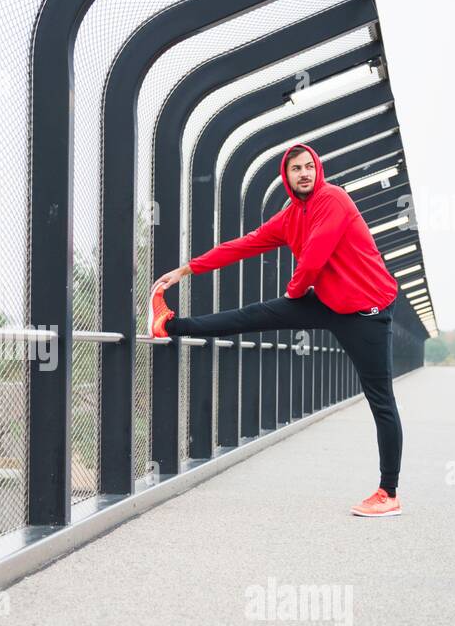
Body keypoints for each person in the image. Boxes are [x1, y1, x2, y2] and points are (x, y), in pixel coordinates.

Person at [150, 142, 403, 517]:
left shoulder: (333, 199)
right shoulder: (290, 217)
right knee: (254, 316)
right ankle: (170, 326)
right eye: (296, 169)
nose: (304, 173)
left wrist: (293, 294)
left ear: (318, 169)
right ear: (286, 177)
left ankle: (389, 493)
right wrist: (186, 269)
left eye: (309, 166)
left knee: (380, 400)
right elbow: (243, 245)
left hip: (367, 311)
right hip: (328, 300)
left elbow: (314, 258)